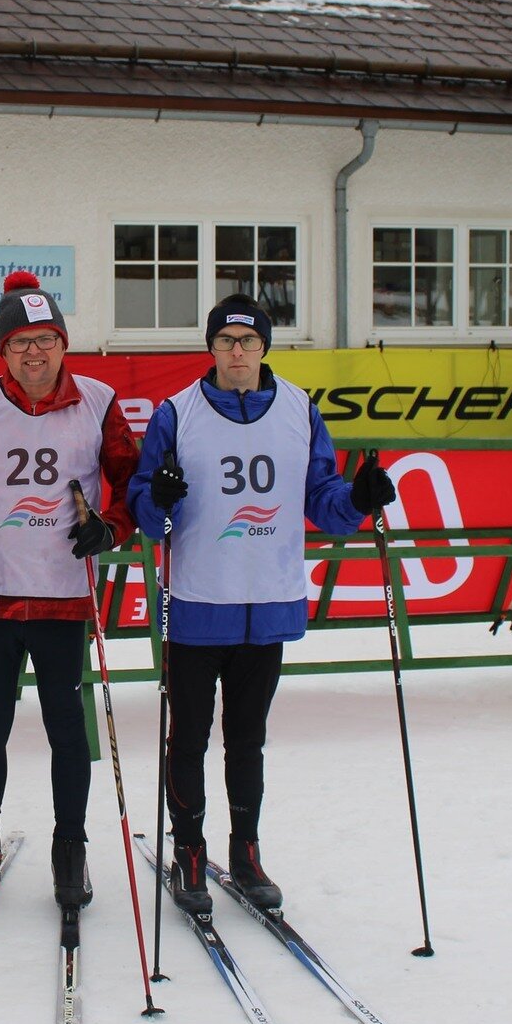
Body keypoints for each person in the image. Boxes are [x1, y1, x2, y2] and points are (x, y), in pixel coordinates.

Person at [127, 294, 396, 915]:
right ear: (212, 348)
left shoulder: (301, 409)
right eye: (226, 341)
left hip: (269, 602)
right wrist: (159, 498)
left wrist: (359, 498)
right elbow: (146, 511)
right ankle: (189, 851)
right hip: (199, 604)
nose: (238, 351)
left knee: (248, 740)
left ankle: (244, 851)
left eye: (248, 341)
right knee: (187, 738)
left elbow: (323, 498)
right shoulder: (178, 413)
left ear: (264, 347)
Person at [0, 271, 139, 912]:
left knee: (68, 731)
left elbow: (130, 482)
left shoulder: (97, 400)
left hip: (64, 596)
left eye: (45, 340)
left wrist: (112, 528)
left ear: (64, 344)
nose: (33, 353)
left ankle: (70, 844)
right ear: (1, 352)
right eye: (19, 343)